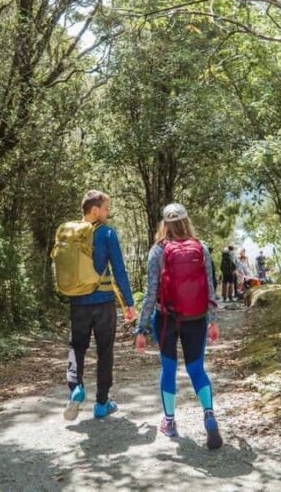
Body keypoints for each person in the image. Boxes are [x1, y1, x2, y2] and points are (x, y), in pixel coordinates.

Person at [134, 203, 223, 450]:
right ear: (187, 222)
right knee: (196, 368)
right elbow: (211, 287)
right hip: (196, 318)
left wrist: (141, 329)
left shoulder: (158, 250)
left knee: (169, 368)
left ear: (164, 224)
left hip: (166, 319)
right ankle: (208, 414)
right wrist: (213, 320)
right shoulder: (201, 247)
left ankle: (170, 422)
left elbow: (151, 292)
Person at [60, 190, 136, 421]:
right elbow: (119, 270)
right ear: (95, 210)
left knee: (77, 347)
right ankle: (102, 403)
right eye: (106, 208)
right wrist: (129, 304)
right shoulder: (107, 233)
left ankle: (76, 388)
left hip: (78, 302)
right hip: (103, 303)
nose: (108, 212)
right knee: (105, 351)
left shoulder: (71, 233)